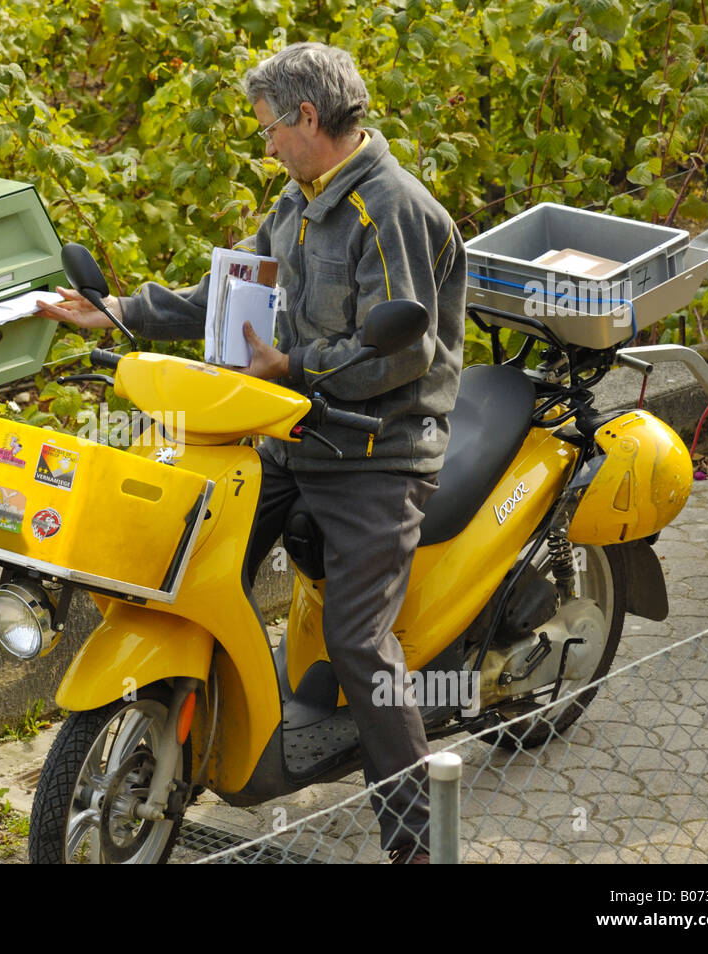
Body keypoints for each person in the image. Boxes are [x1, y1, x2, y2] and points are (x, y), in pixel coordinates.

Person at [36, 41, 465, 863]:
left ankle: (417, 841)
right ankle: (197, 740)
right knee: (188, 557)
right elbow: (230, 293)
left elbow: (404, 354)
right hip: (292, 436)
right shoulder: (299, 200)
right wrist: (117, 310)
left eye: (269, 127)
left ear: (309, 117)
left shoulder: (391, 210)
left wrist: (296, 365)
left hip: (379, 451)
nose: (264, 143)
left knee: (358, 643)